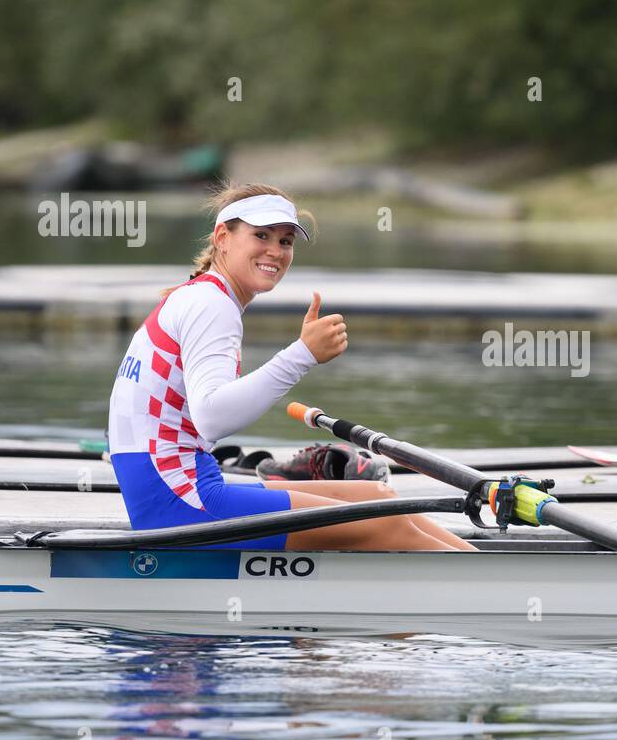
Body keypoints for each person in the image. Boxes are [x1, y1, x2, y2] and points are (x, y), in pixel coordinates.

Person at [107, 182, 473, 551]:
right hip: (179, 502)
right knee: (384, 525)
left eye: (285, 241)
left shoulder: (199, 295)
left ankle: (483, 571)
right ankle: (493, 593)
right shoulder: (211, 305)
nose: (275, 251)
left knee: (379, 496)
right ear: (222, 237)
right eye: (261, 235)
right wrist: (303, 354)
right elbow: (212, 418)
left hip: (176, 487)